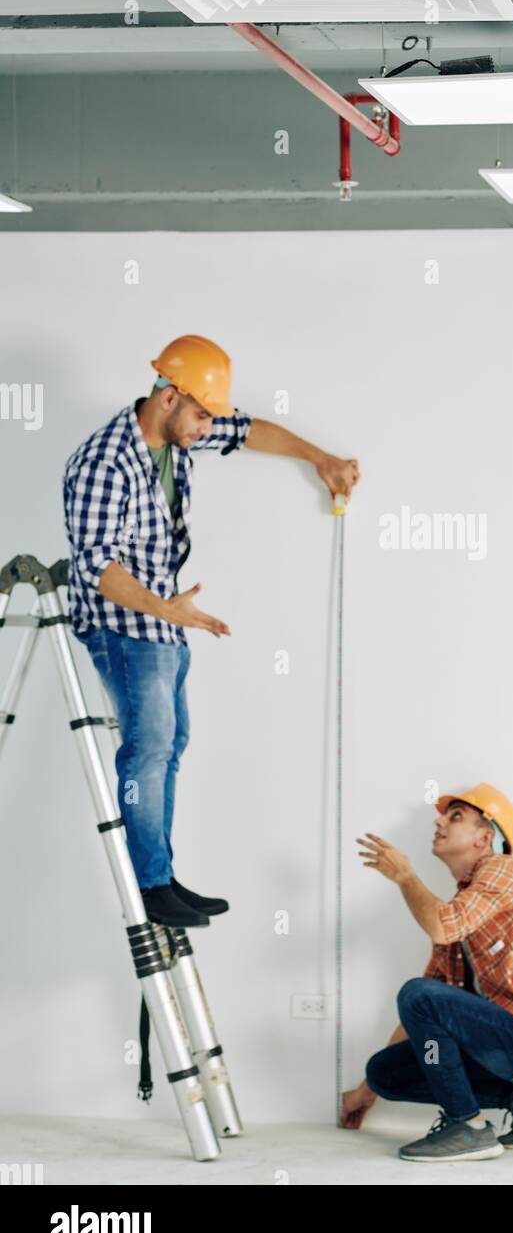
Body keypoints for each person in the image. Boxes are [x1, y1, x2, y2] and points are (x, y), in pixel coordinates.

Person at [62, 334, 360, 928]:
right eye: (201, 415)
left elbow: (249, 431)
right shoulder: (105, 462)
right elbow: (94, 564)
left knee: (169, 747)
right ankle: (148, 884)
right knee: (147, 749)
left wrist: (320, 458)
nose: (207, 428)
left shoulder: (179, 438)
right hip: (124, 627)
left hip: (165, 626)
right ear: (169, 398)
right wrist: (164, 609)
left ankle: (161, 877)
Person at [340, 783, 513, 1161]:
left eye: (455, 816)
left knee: (418, 993)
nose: (439, 821)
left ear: (485, 837)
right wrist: (365, 1092)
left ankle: (468, 1127)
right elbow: (420, 1015)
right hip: (509, 1053)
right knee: (385, 1071)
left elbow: (440, 931)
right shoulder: (462, 913)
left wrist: (406, 875)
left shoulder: (505, 870)